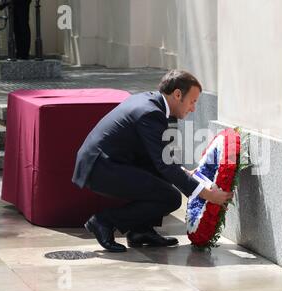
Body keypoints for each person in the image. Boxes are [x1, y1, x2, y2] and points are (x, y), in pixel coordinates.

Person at [72, 70, 233, 252]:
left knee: (166, 180)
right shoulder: (150, 113)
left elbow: (159, 156)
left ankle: (141, 231)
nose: (193, 108)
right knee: (170, 197)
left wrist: (185, 173)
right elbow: (165, 165)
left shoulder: (152, 103)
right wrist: (208, 195)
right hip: (100, 167)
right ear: (177, 94)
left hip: (110, 161)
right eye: (193, 101)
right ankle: (104, 221)